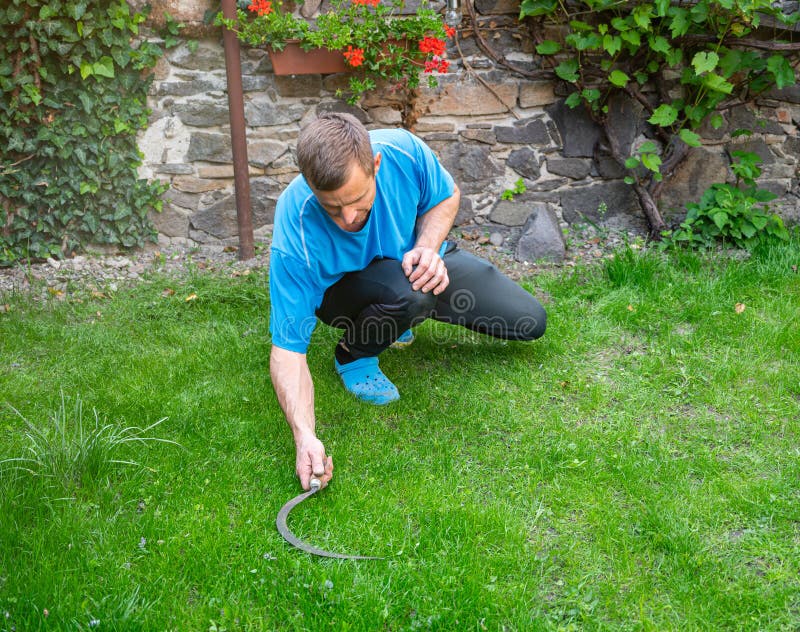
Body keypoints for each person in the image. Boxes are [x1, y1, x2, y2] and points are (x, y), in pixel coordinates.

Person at [269, 112, 546, 490]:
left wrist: (428, 249)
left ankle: (401, 315)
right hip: (344, 293)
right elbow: (288, 352)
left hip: (411, 263)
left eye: (355, 200)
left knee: (528, 320)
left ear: (376, 166)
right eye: (331, 207)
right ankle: (354, 355)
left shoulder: (403, 151)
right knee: (412, 294)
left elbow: (446, 196)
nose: (347, 218)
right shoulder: (294, 224)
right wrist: (304, 435)